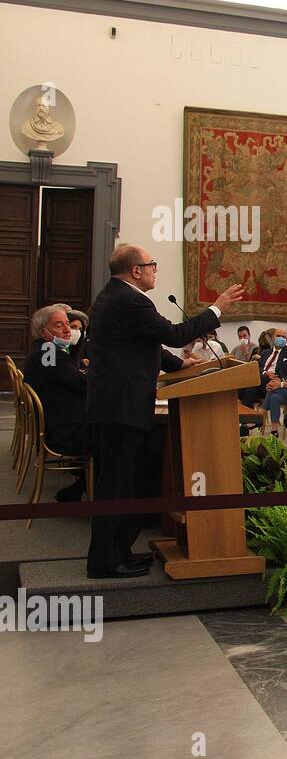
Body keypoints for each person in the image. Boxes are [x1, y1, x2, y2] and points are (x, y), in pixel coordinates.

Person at [84, 245, 242, 578]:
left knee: (127, 482)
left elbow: (145, 344)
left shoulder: (116, 296)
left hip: (117, 403)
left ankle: (120, 552)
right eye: (151, 264)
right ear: (135, 271)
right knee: (116, 485)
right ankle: (104, 562)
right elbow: (172, 334)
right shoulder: (130, 300)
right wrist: (217, 308)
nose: (156, 269)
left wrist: (179, 363)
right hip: (120, 405)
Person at [23, 305, 89, 500]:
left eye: (68, 324)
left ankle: (82, 487)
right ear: (43, 331)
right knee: (122, 434)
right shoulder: (49, 354)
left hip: (62, 421)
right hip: (66, 430)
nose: (68, 330)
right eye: (59, 325)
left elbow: (72, 377)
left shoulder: (46, 349)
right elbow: (81, 383)